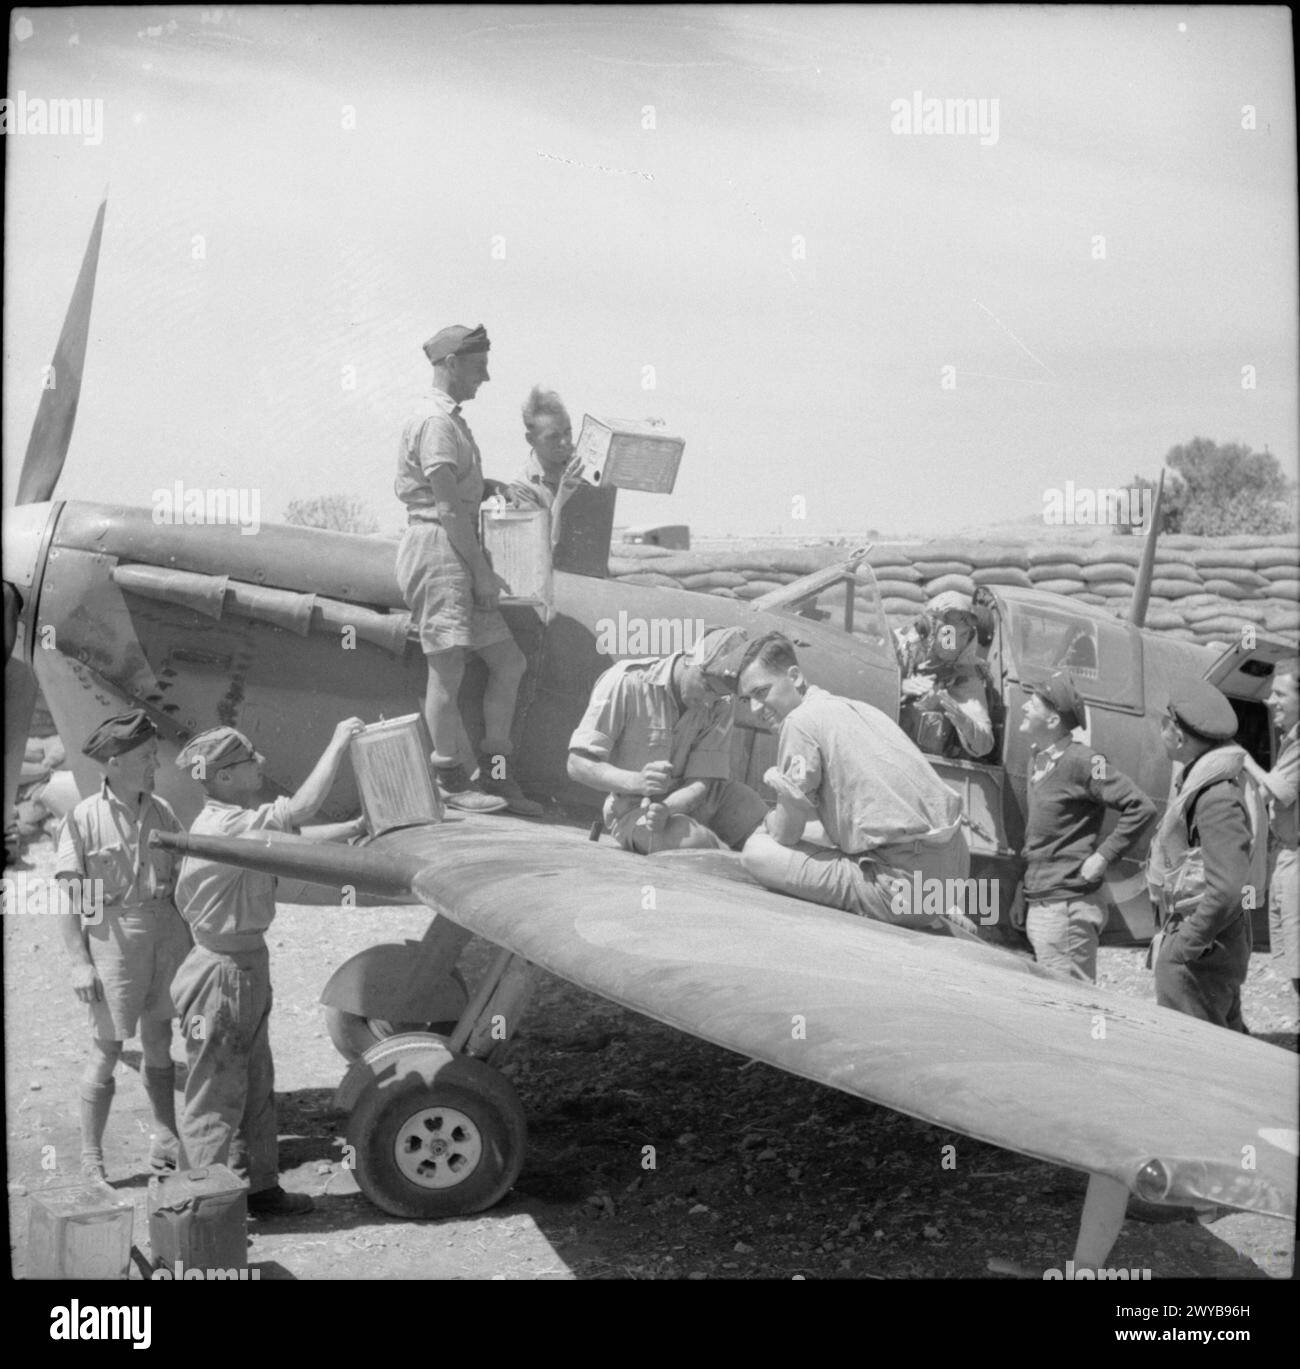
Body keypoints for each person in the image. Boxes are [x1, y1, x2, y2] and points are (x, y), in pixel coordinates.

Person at [170, 721, 367, 1217]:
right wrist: (339, 739)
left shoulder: (234, 821)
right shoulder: (227, 826)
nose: (260, 764)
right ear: (222, 778)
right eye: (248, 761)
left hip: (243, 966)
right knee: (214, 1096)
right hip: (224, 973)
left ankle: (259, 1189)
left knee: (256, 1082)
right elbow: (297, 812)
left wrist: (353, 830)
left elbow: (289, 838)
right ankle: (201, 1215)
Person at [394, 323, 540, 815]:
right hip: (440, 547)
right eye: (479, 367)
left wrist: (489, 483)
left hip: (452, 542)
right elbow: (449, 508)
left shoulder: (450, 421)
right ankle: (449, 780)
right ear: (452, 363)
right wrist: (481, 572)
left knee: (508, 662)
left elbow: (455, 492)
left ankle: (496, 775)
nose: (486, 378)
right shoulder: (436, 422)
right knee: (448, 667)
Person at [736, 631, 973, 935]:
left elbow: (786, 833)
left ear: (794, 677)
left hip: (904, 882)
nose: (755, 708)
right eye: (748, 699)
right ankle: (938, 905)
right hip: (951, 868)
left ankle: (924, 909)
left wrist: (768, 821)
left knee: (757, 850)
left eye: (761, 692)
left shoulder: (799, 722)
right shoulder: (856, 708)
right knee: (822, 834)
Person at [54, 710, 193, 1181]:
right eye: (146, 756)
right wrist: (79, 964)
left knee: (160, 1038)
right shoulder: (82, 819)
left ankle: (165, 1138)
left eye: (154, 754)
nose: (155, 764)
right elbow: (71, 902)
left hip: (165, 934)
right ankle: (92, 1157)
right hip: (113, 941)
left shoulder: (163, 811)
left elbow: (182, 884)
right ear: (113, 762)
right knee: (108, 1048)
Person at [567, 626, 767, 853]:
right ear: (690, 659)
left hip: (698, 802)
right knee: (691, 843)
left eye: (720, 694)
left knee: (764, 824)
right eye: (707, 686)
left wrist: (669, 808)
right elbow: (577, 764)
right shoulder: (626, 681)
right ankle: (735, 858)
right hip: (636, 808)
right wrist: (637, 781)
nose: (709, 701)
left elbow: (703, 781)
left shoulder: (720, 701)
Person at [1017, 670, 1157, 981]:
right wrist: (1021, 889)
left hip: (1067, 908)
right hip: (1043, 901)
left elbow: (1141, 806)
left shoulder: (1083, 760)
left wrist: (1103, 856)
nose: (1024, 707)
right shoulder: (1037, 760)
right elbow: (1040, 836)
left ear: (1054, 721)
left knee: (1069, 1007)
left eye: (1033, 704)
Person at [1147, 680, 1260, 1032]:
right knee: (1225, 1058)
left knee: (1193, 1064)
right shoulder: (1203, 784)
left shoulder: (1215, 798)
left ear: (1178, 736)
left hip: (1201, 958)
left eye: (1164, 723)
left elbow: (1227, 890)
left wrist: (1183, 948)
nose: (1160, 731)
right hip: (1210, 951)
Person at [1240, 660, 1299, 994]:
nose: (1268, 701)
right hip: (1286, 857)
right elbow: (1264, 795)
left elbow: (1277, 790)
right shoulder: (1290, 741)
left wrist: (1244, 759)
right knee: (1290, 954)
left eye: (1279, 693)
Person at [896, 591, 995, 760]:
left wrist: (964, 722)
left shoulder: (966, 672)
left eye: (964, 635)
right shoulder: (902, 649)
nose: (957, 644)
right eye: (949, 634)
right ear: (931, 630)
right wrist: (899, 687)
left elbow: (985, 744)